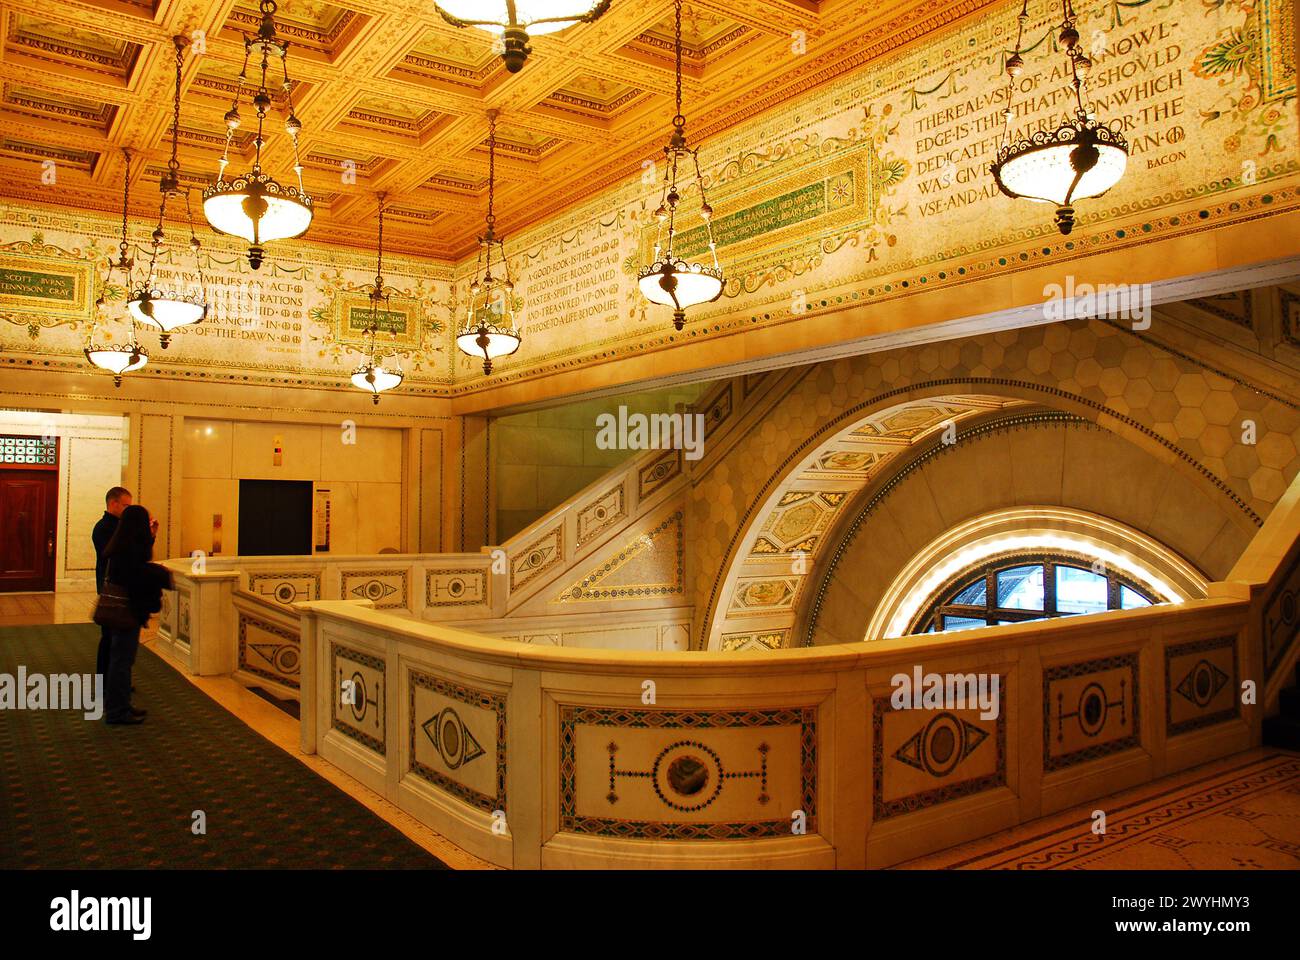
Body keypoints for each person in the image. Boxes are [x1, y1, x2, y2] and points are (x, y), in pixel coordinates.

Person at [102, 504, 169, 725]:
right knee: (121, 661)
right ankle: (117, 711)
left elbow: (137, 562)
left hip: (123, 610)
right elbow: (137, 572)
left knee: (121, 660)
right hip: (127, 611)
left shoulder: (121, 544)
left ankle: (121, 706)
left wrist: (152, 536)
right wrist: (160, 574)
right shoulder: (127, 550)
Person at [92, 487, 132, 680]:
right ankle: (104, 681)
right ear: (113, 503)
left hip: (122, 587)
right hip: (110, 589)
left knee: (120, 641)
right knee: (109, 638)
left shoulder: (120, 526)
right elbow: (112, 554)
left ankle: (117, 681)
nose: (128, 510)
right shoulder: (102, 528)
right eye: (126, 505)